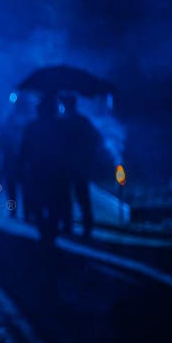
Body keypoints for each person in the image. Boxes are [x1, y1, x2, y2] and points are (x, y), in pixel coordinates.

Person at [59, 94, 111, 238]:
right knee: (80, 196)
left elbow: (96, 139)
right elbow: (97, 139)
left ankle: (71, 225)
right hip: (77, 165)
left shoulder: (65, 123)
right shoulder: (80, 121)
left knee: (70, 196)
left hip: (71, 165)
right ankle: (84, 225)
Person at [19, 95, 69, 245]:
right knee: (52, 204)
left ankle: (46, 232)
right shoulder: (60, 127)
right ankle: (49, 232)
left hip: (41, 172)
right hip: (52, 172)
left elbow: (24, 150)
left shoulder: (33, 127)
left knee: (41, 204)